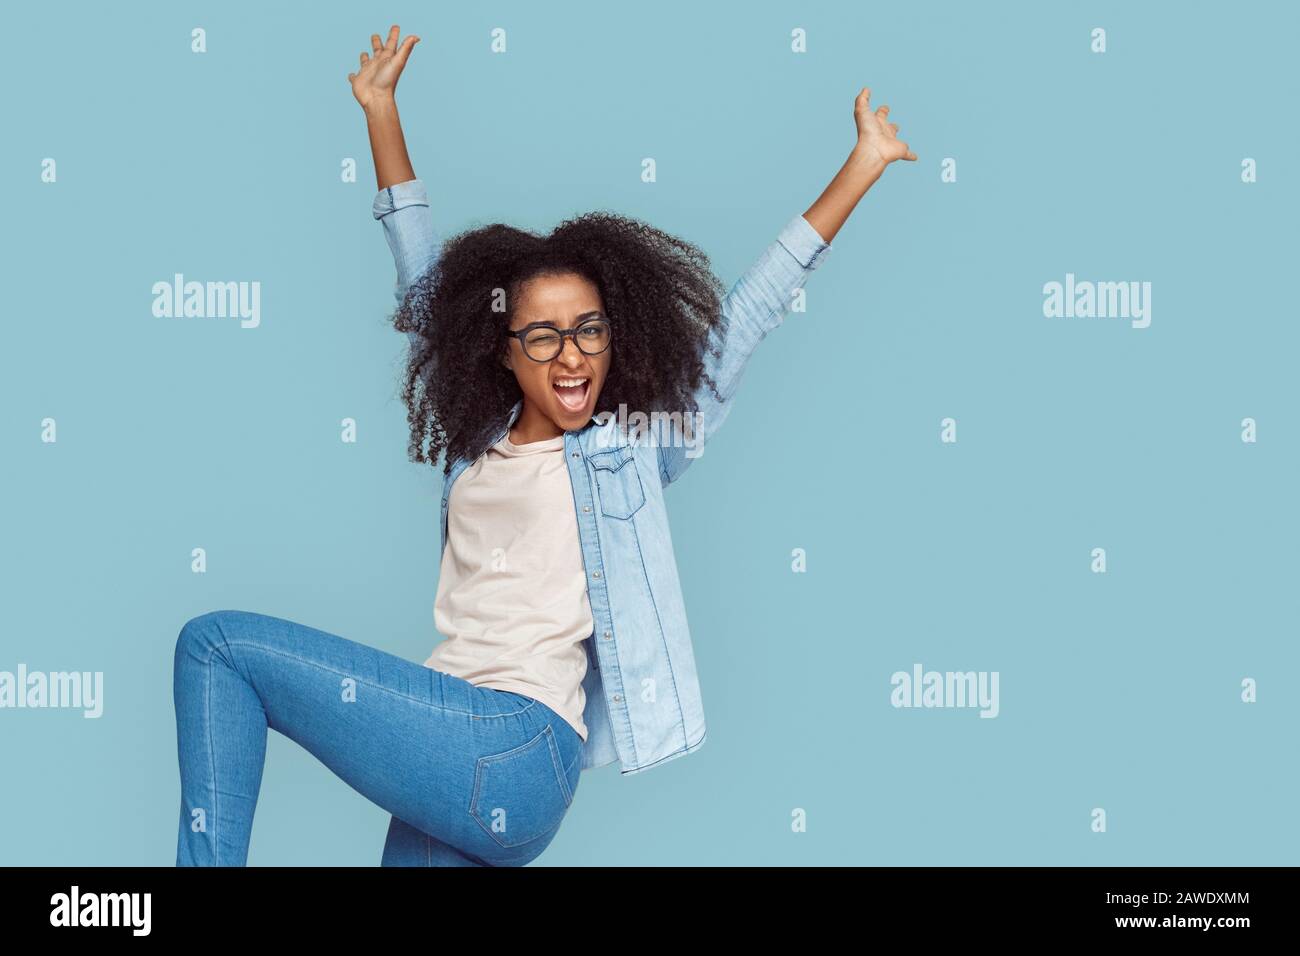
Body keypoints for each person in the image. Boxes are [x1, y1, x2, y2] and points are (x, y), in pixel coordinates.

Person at [172, 24, 914, 867]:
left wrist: (860, 168)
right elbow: (423, 283)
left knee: (217, 647)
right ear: (502, 347)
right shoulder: (475, 445)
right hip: (460, 757)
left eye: (589, 331)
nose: (571, 354)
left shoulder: (629, 450)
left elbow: (740, 324)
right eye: (545, 335)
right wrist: (380, 111)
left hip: (513, 745)